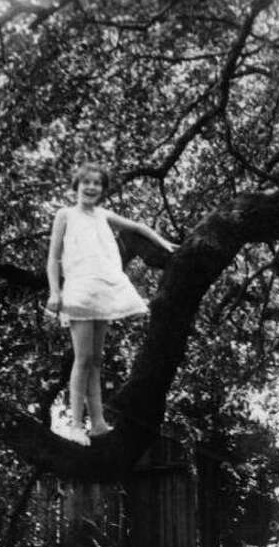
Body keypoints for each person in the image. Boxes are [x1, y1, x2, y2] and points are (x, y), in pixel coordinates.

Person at [43, 161, 178, 444]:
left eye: (97, 184)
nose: (91, 187)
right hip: (79, 290)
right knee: (82, 359)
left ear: (102, 190)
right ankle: (76, 426)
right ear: (77, 186)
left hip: (102, 290)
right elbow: (53, 258)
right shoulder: (65, 215)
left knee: (95, 360)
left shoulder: (103, 215)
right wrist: (55, 292)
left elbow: (138, 226)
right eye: (86, 183)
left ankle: (99, 423)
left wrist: (164, 243)